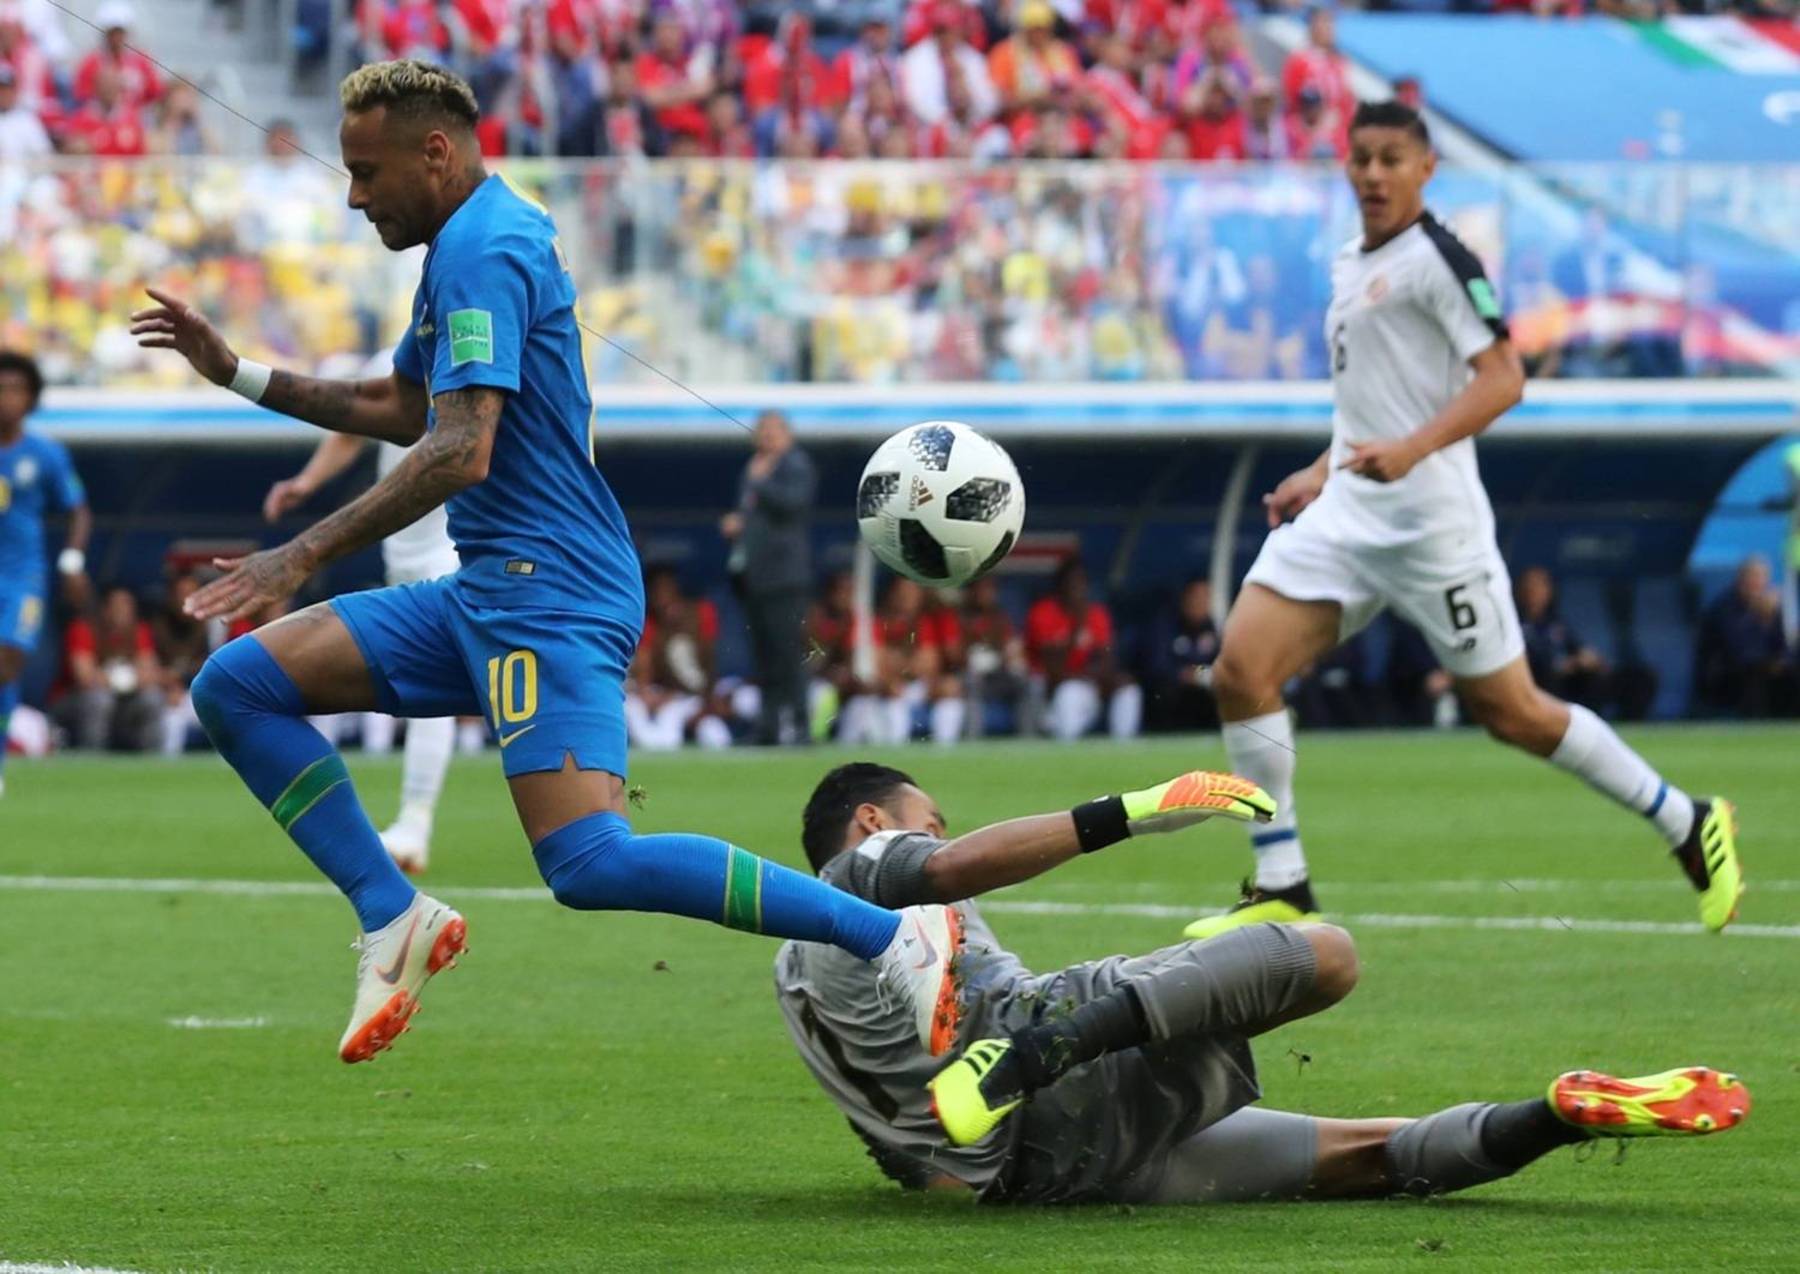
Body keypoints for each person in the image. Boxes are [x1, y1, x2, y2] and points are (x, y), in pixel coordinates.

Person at [130, 59, 957, 1067]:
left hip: (550, 590)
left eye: (365, 170)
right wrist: (238, 374)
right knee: (240, 685)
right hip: (492, 583)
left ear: (434, 152)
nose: (352, 195)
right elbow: (401, 407)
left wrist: (300, 554)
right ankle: (395, 916)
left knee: (589, 860)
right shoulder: (458, 248)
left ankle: (890, 933)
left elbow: (457, 447)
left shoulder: (487, 246)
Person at [1193, 101, 1742, 940]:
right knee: (1240, 670)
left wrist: (1413, 449)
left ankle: (1686, 819)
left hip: (1431, 529)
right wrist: (1320, 468)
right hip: (1348, 512)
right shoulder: (1351, 261)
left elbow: (1504, 378)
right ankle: (1283, 883)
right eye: (1361, 159)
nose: (1373, 175)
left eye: (1390, 161)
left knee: (1513, 713)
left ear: (1425, 170)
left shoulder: (1441, 260)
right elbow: (1370, 400)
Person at [779, 763, 1749, 1204]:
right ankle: (1044, 1047)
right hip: (1047, 1066)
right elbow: (948, 869)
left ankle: (1557, 1114)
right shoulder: (855, 872)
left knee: (1369, 1156)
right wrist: (1134, 809)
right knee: (1327, 953)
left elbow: (906, 1142)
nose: (941, 834)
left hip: (1042, 1175)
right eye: (929, 817)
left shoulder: (791, 973)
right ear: (874, 822)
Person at [259, 348, 462, 874]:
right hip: (402, 547)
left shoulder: (482, 348)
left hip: (458, 542)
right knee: (426, 679)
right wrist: (307, 482)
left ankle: (416, 822)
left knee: (440, 680)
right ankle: (409, 825)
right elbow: (355, 427)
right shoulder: (399, 356)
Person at [0, 350, 90, 795]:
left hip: (22, 577)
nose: (6, 398)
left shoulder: (45, 454)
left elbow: (77, 511)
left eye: (16, 389)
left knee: (9, 657)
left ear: (32, 397)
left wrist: (72, 561)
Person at [721, 409, 816, 746]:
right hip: (756, 578)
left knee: (788, 654)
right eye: (763, 430)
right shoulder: (754, 467)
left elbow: (793, 503)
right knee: (764, 658)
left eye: (774, 431)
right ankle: (769, 728)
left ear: (787, 435)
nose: (767, 437)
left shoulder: (794, 465)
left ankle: (802, 727)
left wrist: (762, 481)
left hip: (785, 579)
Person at [1024, 557, 1141, 741]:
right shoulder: (1044, 612)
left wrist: (1098, 680)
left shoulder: (1096, 614)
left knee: (1128, 689)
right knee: (1068, 692)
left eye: (1080, 583)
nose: (1075, 589)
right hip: (1047, 691)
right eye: (1070, 583)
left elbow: (1106, 659)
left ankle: (1123, 748)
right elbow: (1053, 670)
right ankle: (1066, 753)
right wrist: (1075, 629)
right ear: (1059, 586)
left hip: (1087, 686)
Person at [56, 584, 165, 751]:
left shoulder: (139, 631)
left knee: (152, 697)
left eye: (127, 606)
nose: (123, 612)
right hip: (74, 702)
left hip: (123, 702)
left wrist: (124, 680)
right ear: (105, 609)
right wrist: (123, 678)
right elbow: (85, 678)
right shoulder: (83, 628)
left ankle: (151, 761)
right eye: (118, 606)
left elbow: (150, 674)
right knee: (100, 699)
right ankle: (92, 759)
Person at [1696, 554, 1797, 719]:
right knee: (1755, 674)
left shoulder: (1772, 607)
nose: (1757, 583)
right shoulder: (1724, 607)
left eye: (1761, 578)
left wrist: (1782, 660)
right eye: (1752, 577)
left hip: (1768, 669)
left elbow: (1784, 645)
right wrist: (1760, 618)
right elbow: (1737, 649)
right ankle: (1754, 722)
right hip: (1727, 674)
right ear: (1740, 579)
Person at [1141, 577, 1219, 733]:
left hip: (1202, 694)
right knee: (1164, 692)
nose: (1201, 603)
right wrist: (1181, 674)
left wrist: (1199, 674)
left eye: (1206, 598)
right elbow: (1156, 666)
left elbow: (1218, 664)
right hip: (1170, 695)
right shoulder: (1166, 626)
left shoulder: (1211, 628)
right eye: (1197, 597)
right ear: (1185, 599)